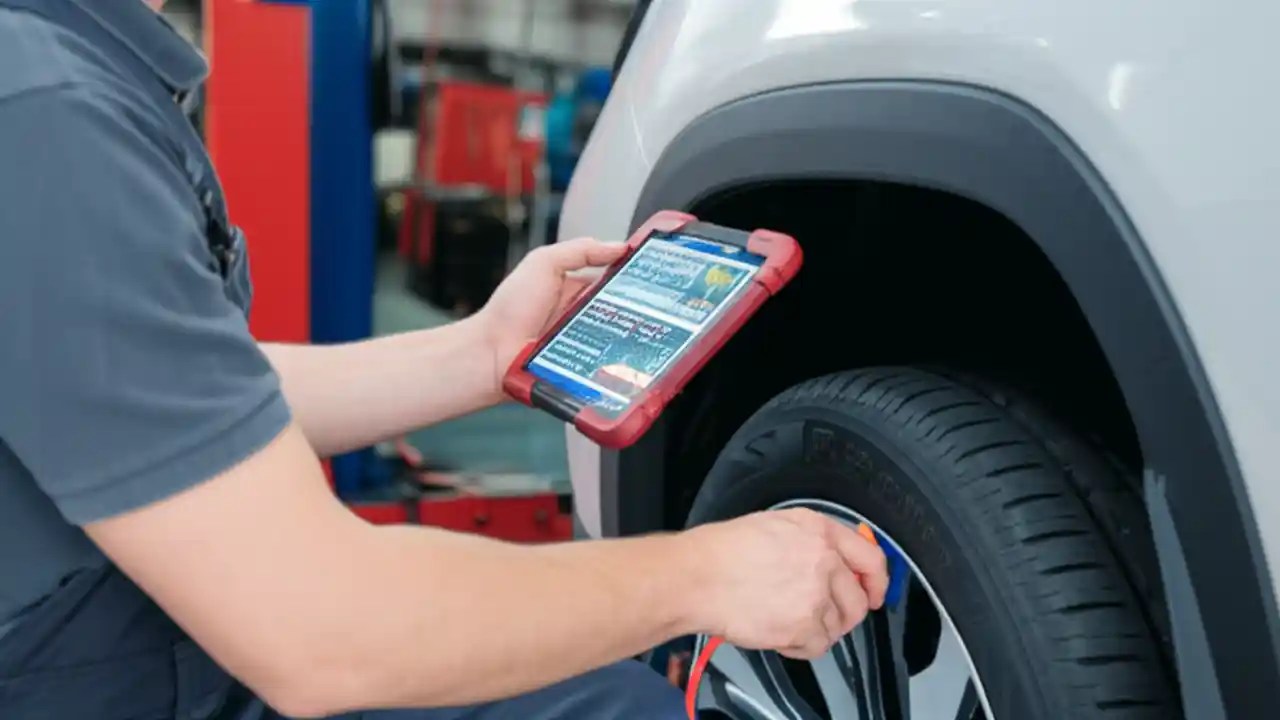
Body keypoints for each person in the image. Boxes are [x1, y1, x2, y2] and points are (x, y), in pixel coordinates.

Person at [0, 1, 890, 719]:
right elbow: (320, 636)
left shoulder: (65, 73)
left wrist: (478, 354)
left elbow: (162, 403)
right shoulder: (46, 109)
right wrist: (707, 575)